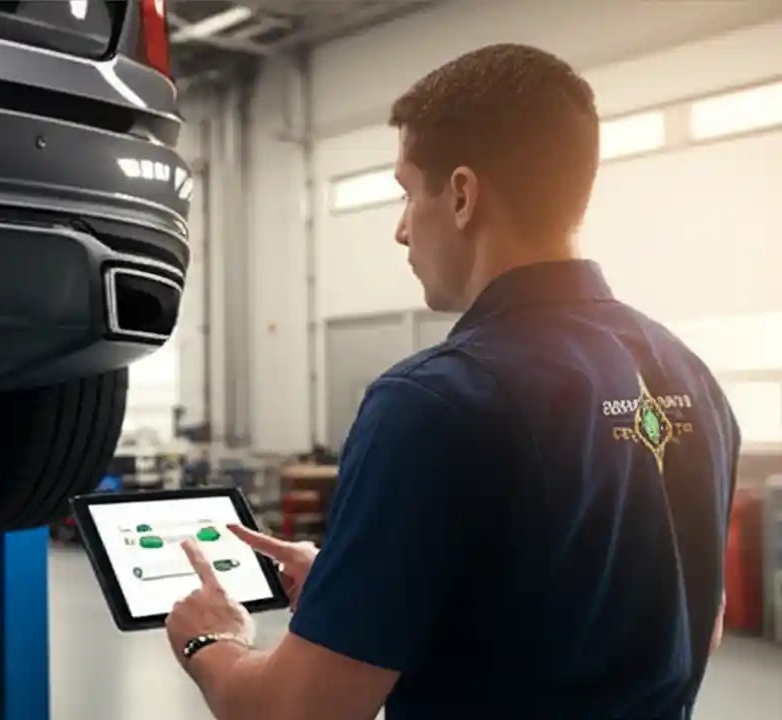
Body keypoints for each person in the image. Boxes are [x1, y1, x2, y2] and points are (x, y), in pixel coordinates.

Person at [164, 42, 740, 720]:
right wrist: (356, 594)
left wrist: (211, 638)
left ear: (463, 195)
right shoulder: (687, 372)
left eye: (409, 194)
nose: (402, 231)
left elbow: (294, 712)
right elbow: (694, 619)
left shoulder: (434, 402)